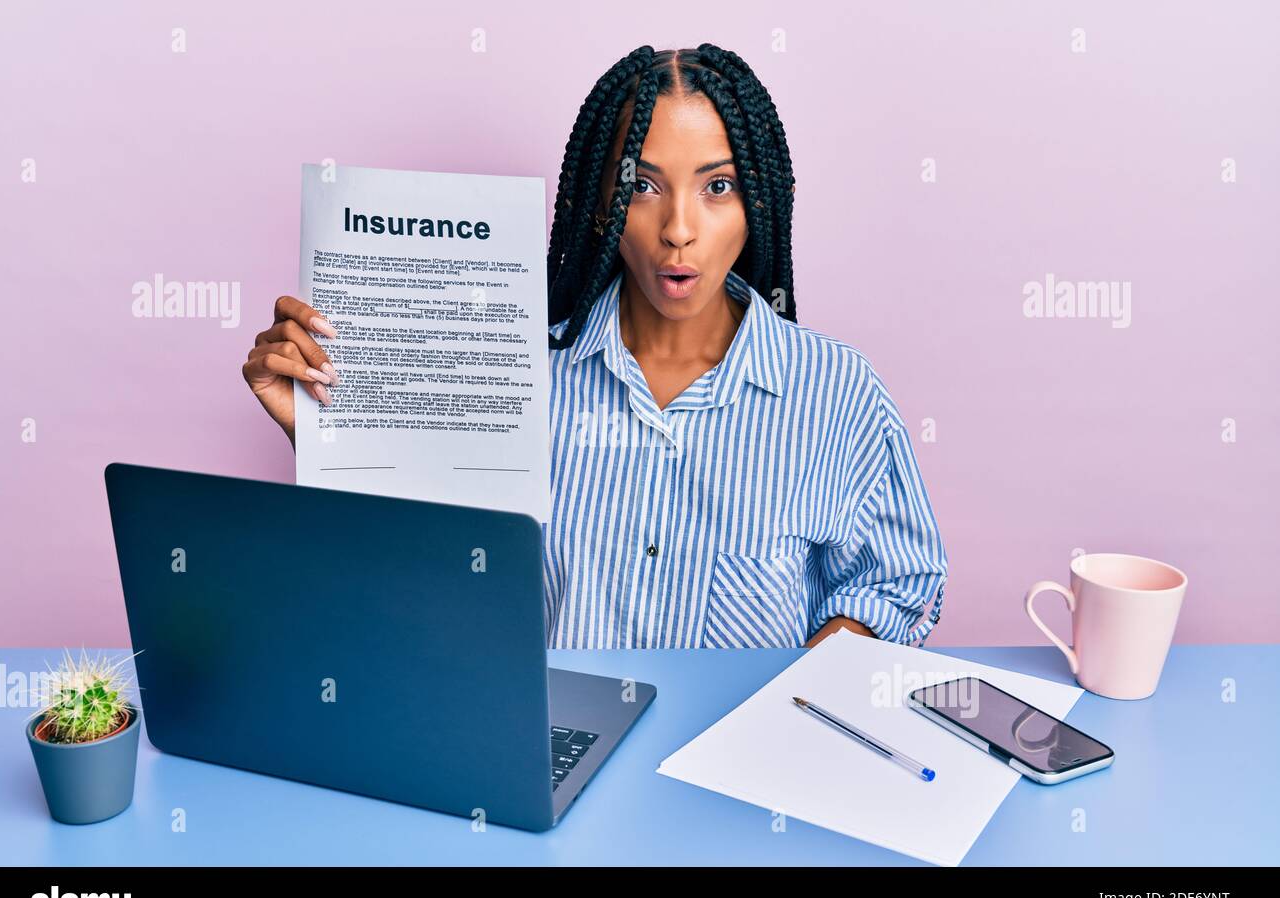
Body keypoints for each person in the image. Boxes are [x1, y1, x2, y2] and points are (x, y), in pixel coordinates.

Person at [243, 44, 948, 650]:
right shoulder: (512, 378)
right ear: (601, 202)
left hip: (741, 787)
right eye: (642, 185)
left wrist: (806, 686)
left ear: (760, 203)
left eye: (718, 185)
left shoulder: (836, 393)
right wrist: (323, 436)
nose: (679, 228)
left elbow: (899, 580)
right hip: (546, 763)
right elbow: (425, 568)